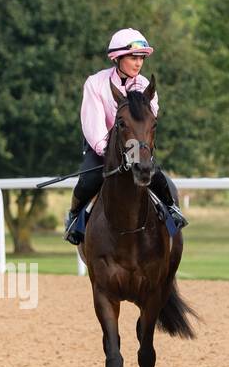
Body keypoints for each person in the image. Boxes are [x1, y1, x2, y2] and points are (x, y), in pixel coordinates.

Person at [63, 28, 188, 244]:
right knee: (87, 180)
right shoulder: (95, 83)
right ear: (117, 58)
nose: (138, 63)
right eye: (133, 57)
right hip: (104, 150)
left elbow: (148, 122)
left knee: (160, 179)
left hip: (138, 148)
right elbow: (93, 124)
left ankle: (171, 210)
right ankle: (74, 219)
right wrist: (112, 154)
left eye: (141, 58)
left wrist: (135, 151)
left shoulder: (146, 87)